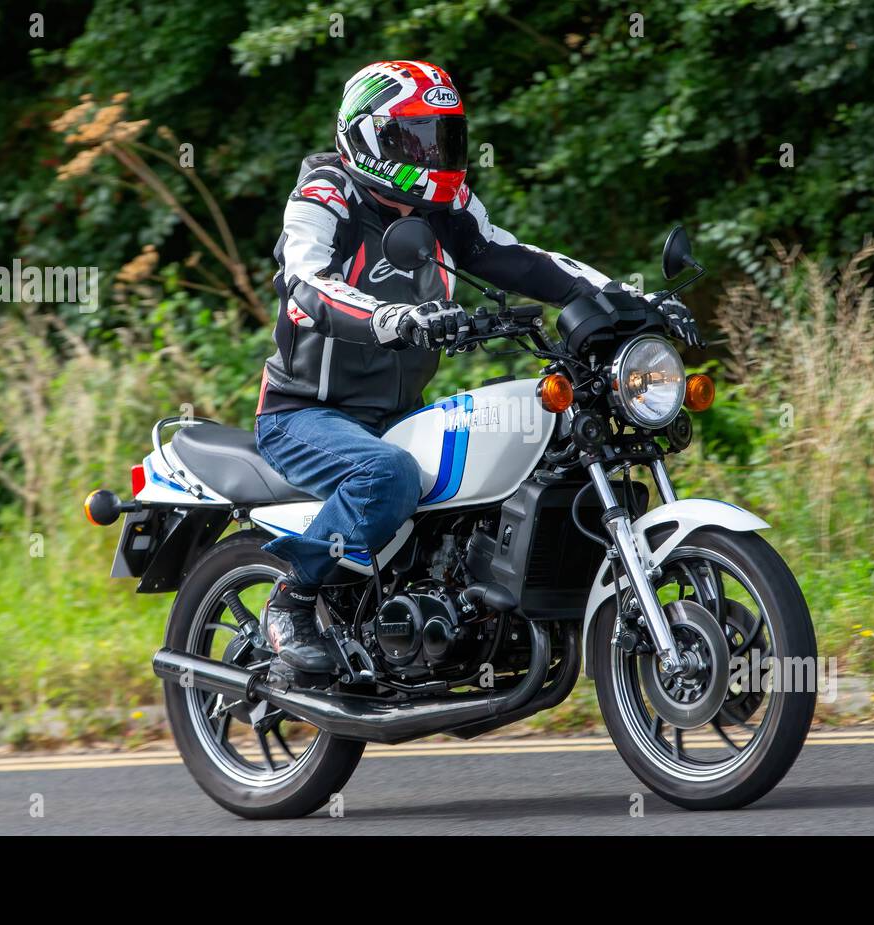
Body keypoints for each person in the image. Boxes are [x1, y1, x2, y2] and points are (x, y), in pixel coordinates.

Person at [256, 59, 699, 673]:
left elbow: (520, 260)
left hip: (397, 413)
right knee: (387, 477)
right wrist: (390, 317)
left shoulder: (444, 208)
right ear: (368, 135)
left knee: (533, 442)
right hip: (305, 414)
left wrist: (631, 300)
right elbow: (308, 285)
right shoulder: (323, 196)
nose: (434, 153)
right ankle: (292, 598)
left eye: (443, 137)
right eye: (415, 137)